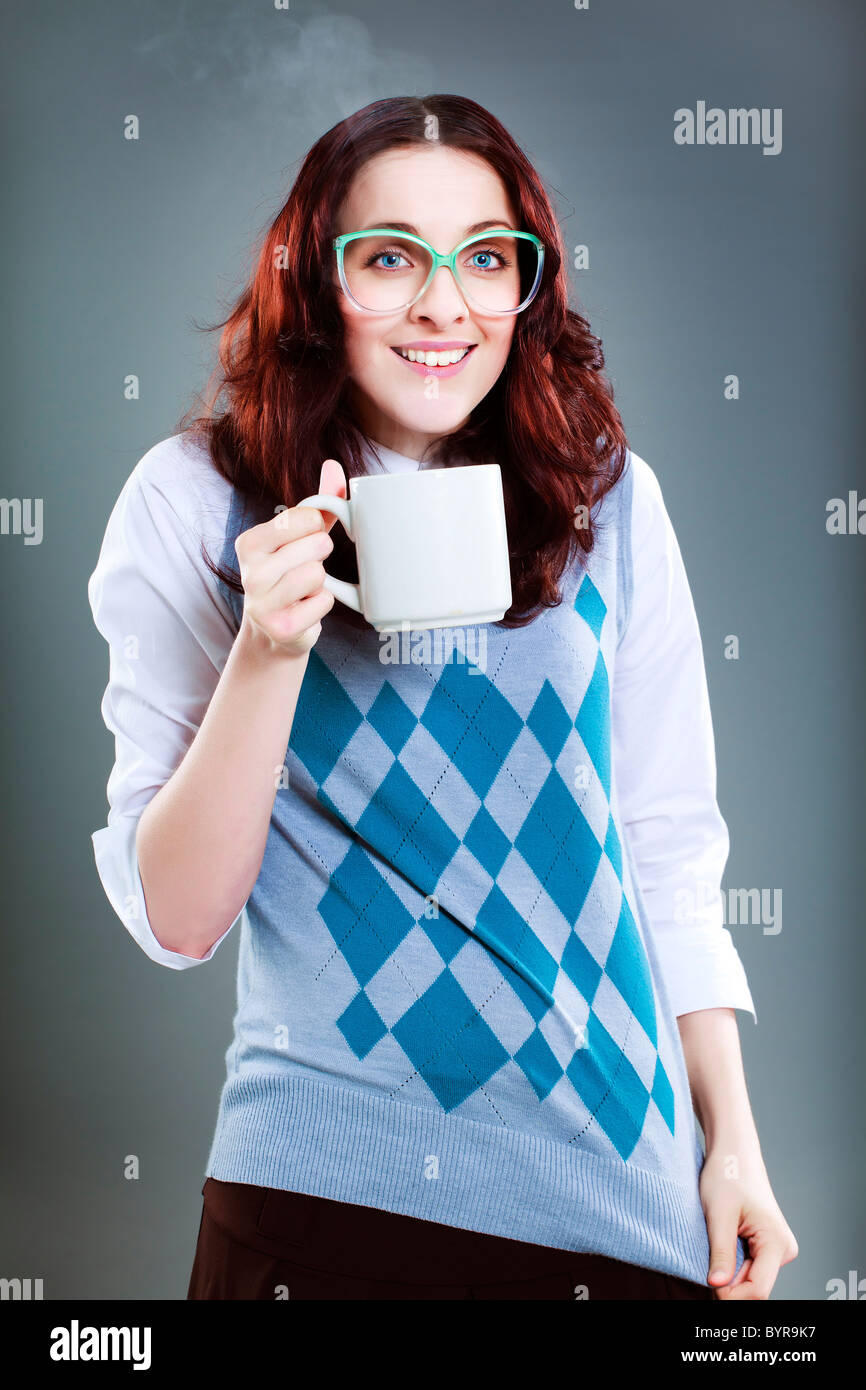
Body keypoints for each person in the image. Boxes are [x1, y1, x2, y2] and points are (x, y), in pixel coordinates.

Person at [88, 94, 798, 1300]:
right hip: (324, 1198)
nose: (441, 305)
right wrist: (268, 649)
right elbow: (180, 918)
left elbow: (663, 843)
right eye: (386, 258)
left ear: (526, 286)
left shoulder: (605, 498)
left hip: (622, 1206)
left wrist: (729, 1139)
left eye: (483, 258)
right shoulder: (194, 502)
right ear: (317, 283)